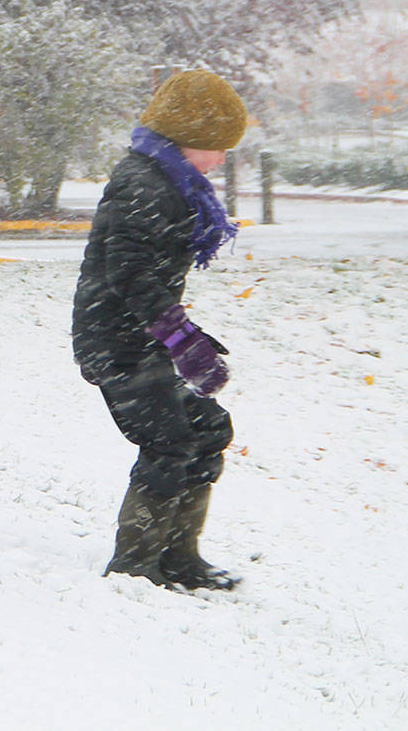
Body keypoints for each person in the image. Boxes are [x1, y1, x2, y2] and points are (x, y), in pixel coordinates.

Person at [73, 68, 247, 590]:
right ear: (185, 137)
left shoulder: (169, 180)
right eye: (214, 147)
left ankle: (180, 555)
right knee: (170, 442)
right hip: (115, 344)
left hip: (142, 339)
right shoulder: (141, 184)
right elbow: (128, 273)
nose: (219, 160)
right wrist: (182, 339)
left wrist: (181, 335)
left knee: (207, 430)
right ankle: (136, 566)